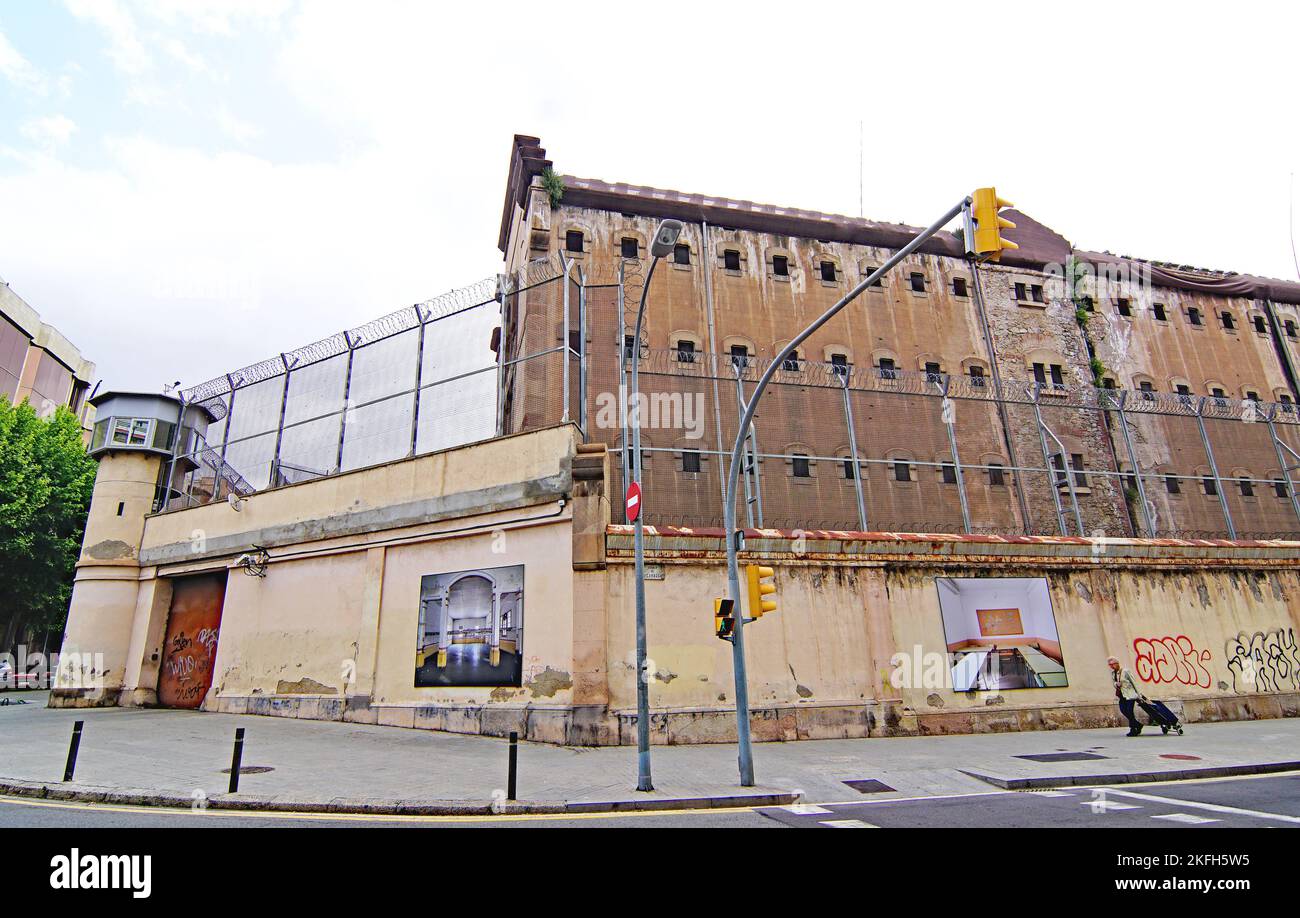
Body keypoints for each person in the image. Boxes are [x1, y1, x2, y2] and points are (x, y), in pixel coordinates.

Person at [1108, 656, 1146, 736]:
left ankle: (1133, 729)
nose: (1111, 666)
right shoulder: (1113, 673)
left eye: (1112, 664)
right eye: (1110, 665)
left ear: (1117, 663)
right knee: (1123, 710)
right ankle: (1138, 725)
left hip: (1130, 695)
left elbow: (1133, 682)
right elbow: (1114, 683)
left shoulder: (1125, 671)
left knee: (1129, 711)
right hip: (1122, 695)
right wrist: (1116, 684)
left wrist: (1139, 695)